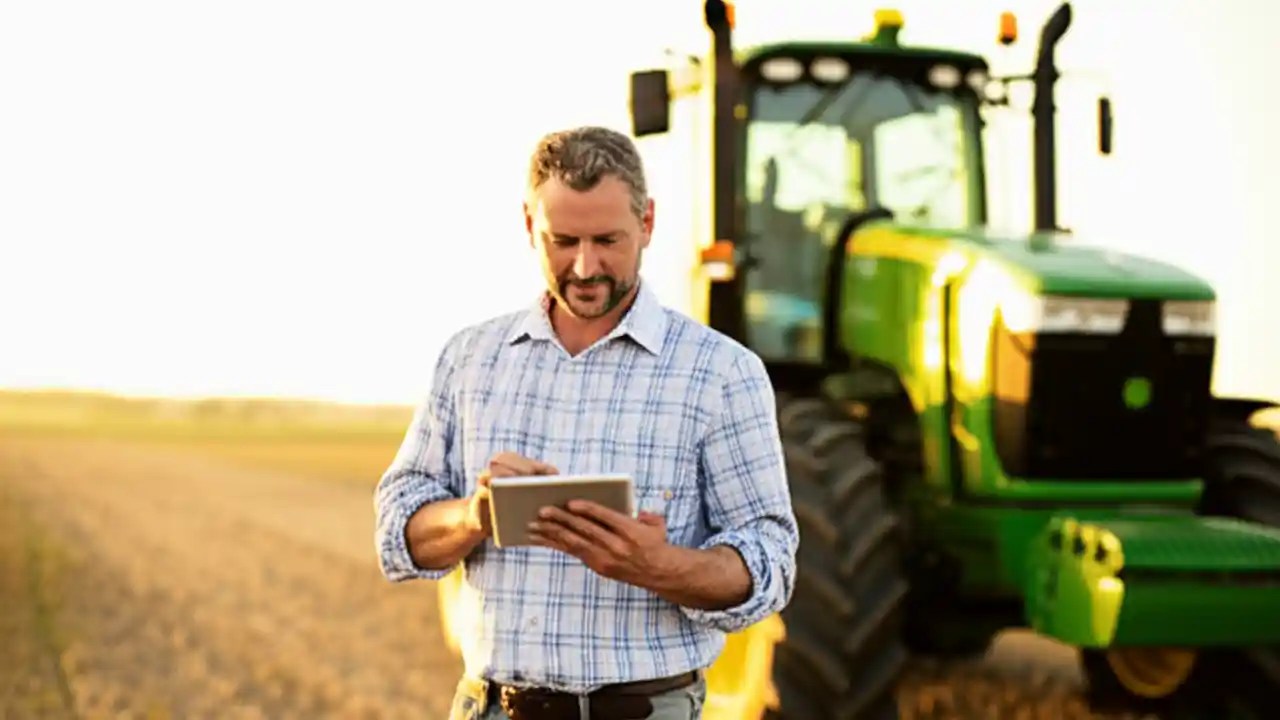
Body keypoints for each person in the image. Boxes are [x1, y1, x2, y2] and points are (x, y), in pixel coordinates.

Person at [373, 125, 799, 720]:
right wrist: (476, 516)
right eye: (563, 239)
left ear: (647, 223)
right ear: (528, 225)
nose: (584, 265)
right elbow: (398, 531)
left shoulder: (722, 373)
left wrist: (660, 567)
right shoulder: (469, 359)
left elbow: (771, 564)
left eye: (607, 240)